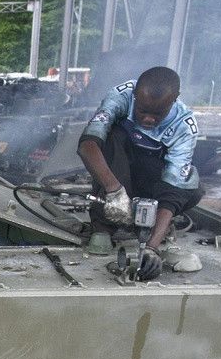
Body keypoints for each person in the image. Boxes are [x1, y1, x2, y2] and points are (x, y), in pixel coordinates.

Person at [77, 66, 202, 280]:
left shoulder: (184, 126)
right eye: (143, 111)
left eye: (157, 114)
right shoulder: (120, 96)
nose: (148, 120)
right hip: (117, 174)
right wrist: (113, 190)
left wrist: (152, 247)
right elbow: (87, 145)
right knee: (111, 136)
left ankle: (152, 225)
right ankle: (103, 227)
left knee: (191, 184)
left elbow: (174, 190)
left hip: (152, 182)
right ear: (135, 95)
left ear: (175, 99)